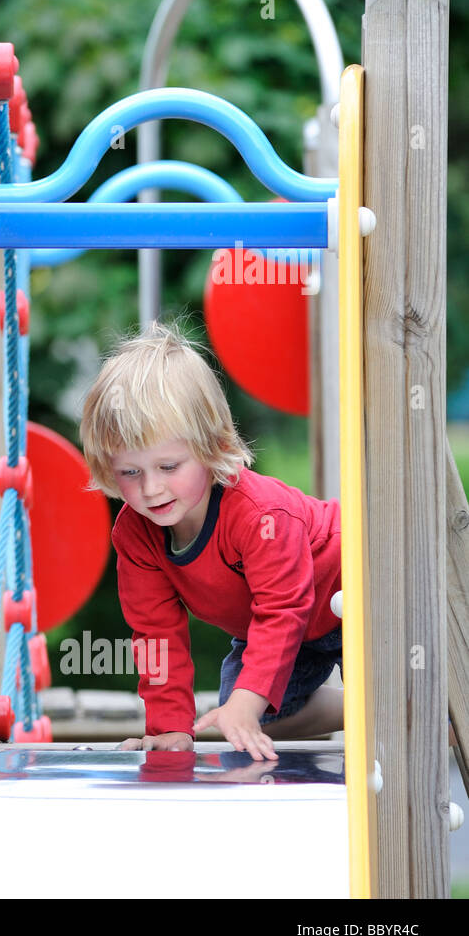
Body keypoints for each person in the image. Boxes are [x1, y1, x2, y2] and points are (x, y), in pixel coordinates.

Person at [78, 320, 343, 761]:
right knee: (241, 719)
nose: (151, 489)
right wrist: (170, 729)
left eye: (168, 466)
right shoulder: (136, 534)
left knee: (257, 701)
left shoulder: (257, 514)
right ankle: (350, 709)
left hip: (346, 594)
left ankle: (380, 702)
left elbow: (283, 607)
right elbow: (155, 632)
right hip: (274, 628)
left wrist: (249, 697)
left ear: (211, 446)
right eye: (130, 472)